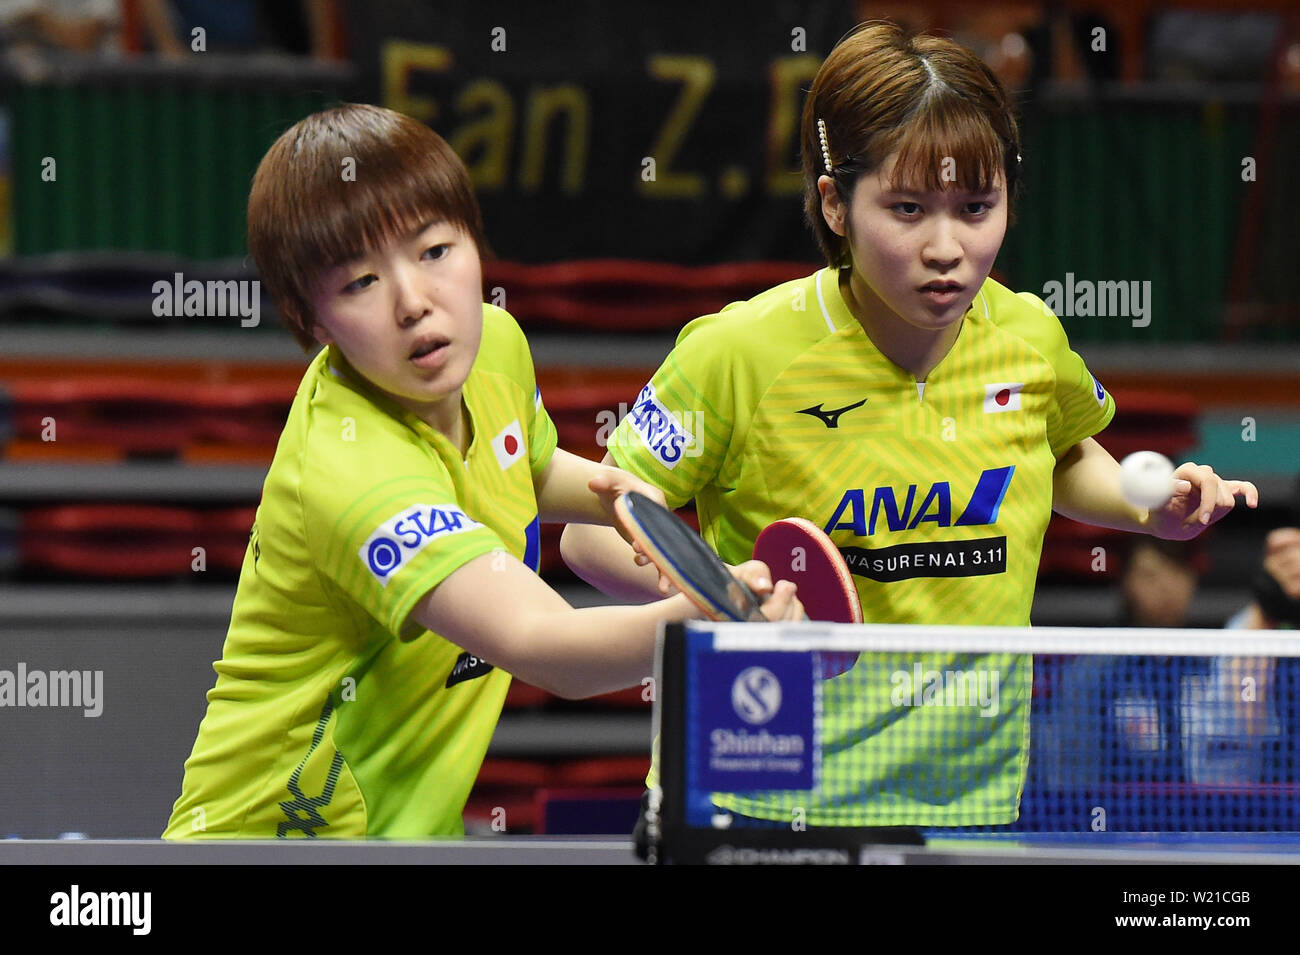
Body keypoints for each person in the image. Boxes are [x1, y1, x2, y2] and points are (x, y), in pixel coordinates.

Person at [561, 21, 1257, 828]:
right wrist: (718, 598)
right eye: (906, 207)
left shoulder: (1028, 336)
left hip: (970, 800)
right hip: (761, 786)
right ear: (835, 204)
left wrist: (1148, 506)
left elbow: (1063, 453)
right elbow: (591, 534)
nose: (947, 247)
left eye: (976, 207)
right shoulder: (739, 354)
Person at [162, 104, 800, 840]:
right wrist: (712, 615)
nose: (414, 302)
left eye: (435, 250)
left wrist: (613, 494)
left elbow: (516, 464)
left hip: (405, 836)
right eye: (361, 281)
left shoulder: (492, 345)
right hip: (271, 845)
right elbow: (546, 647)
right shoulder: (351, 472)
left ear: (474, 239)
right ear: (309, 320)